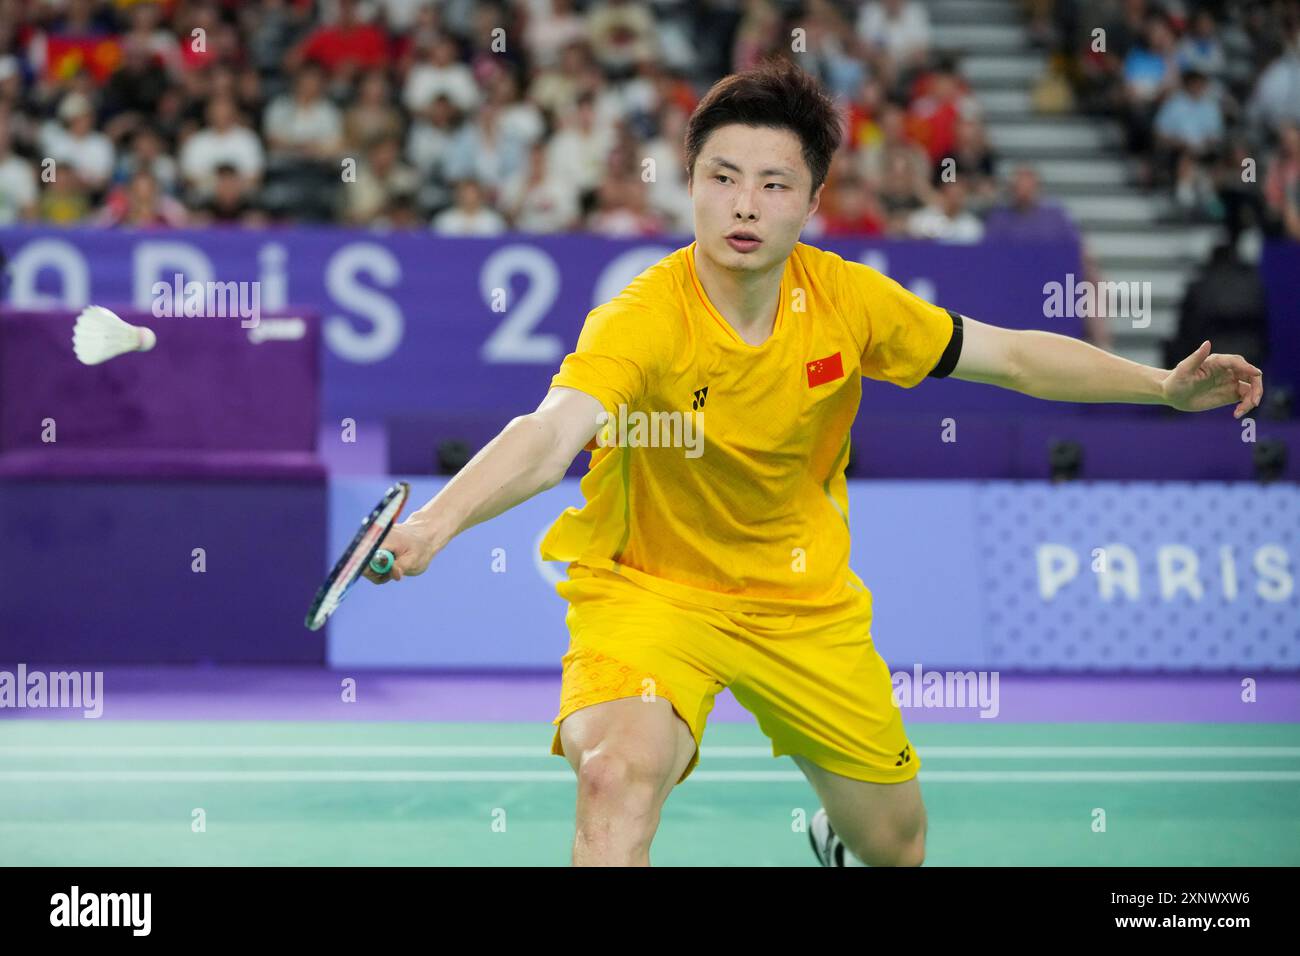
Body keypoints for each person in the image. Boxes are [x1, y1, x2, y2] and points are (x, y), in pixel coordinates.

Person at [364, 60, 1264, 867]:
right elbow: (551, 432)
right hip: (651, 592)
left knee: (896, 845)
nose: (745, 205)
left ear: (811, 200)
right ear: (691, 186)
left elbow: (1016, 358)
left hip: (803, 606)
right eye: (722, 179)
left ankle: (838, 837)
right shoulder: (641, 318)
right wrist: (438, 522)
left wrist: (1162, 388)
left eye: (772, 184)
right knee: (614, 777)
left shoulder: (847, 302)